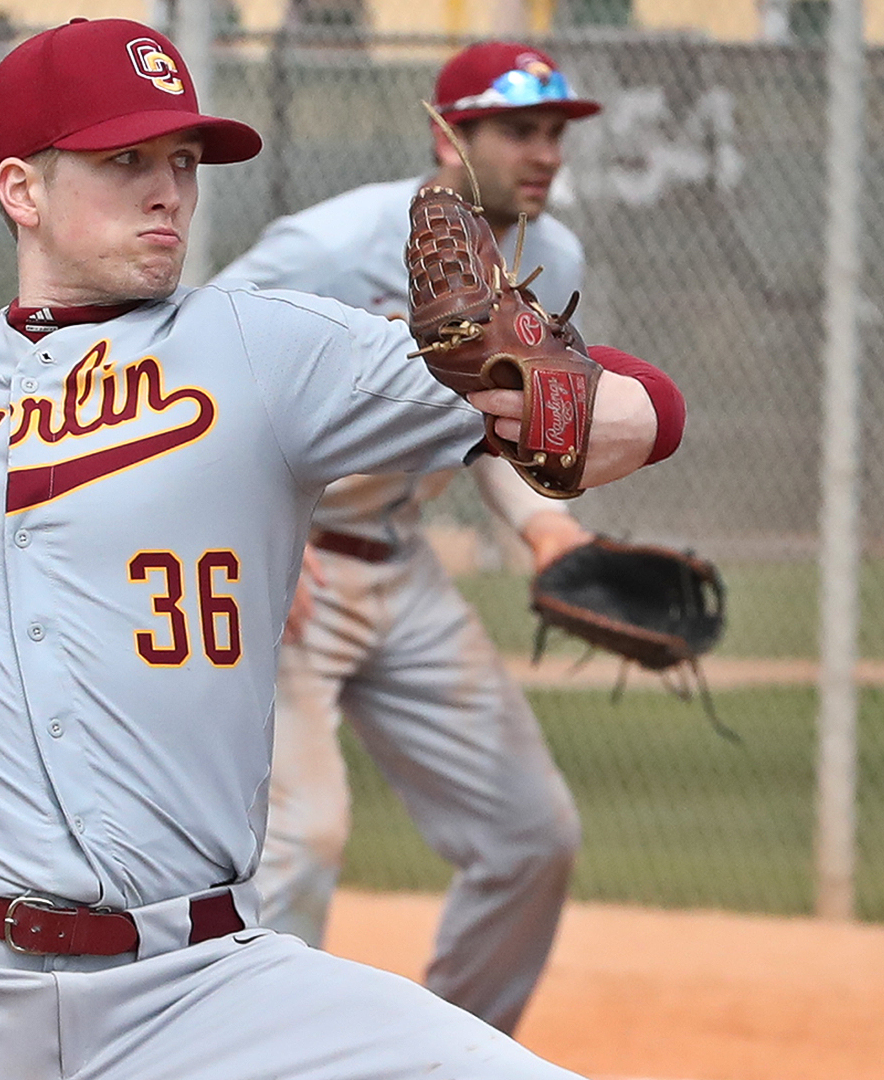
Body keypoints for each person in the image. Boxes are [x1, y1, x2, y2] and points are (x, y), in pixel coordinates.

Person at [0, 4, 680, 1076]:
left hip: (203, 986)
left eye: (182, 160)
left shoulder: (267, 351)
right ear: (21, 189)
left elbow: (638, 410)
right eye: (125, 159)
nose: (168, 188)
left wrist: (557, 384)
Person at [212, 42, 676, 1036]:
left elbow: (503, 427)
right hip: (288, 571)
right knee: (297, 843)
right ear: (447, 137)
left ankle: (454, 1055)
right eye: (518, 130)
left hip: (401, 567)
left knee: (530, 835)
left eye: (555, 132)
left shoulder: (556, 256)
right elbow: (199, 367)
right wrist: (246, 532)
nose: (544, 152)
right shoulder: (332, 243)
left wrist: (550, 531)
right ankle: (245, 1057)